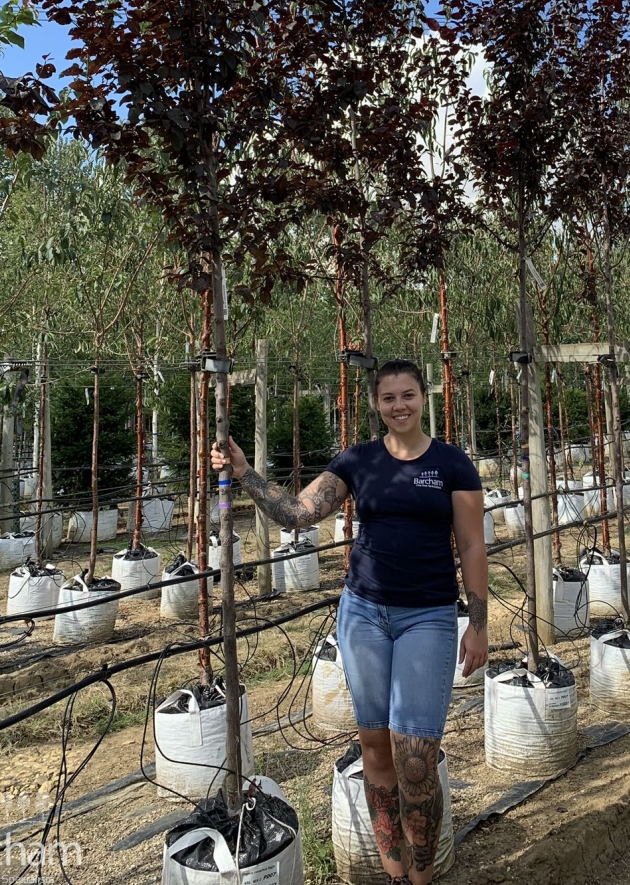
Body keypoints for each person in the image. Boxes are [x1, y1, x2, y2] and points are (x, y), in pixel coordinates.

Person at [211, 358, 489, 885]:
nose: (399, 406)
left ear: (423, 397)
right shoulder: (357, 462)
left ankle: (422, 877)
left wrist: (478, 622)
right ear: (375, 404)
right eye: (388, 398)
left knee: (416, 756)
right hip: (363, 615)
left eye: (408, 395)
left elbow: (472, 545)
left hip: (428, 617)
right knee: (376, 750)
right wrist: (244, 473)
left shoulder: (453, 465)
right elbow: (297, 512)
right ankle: (395, 875)